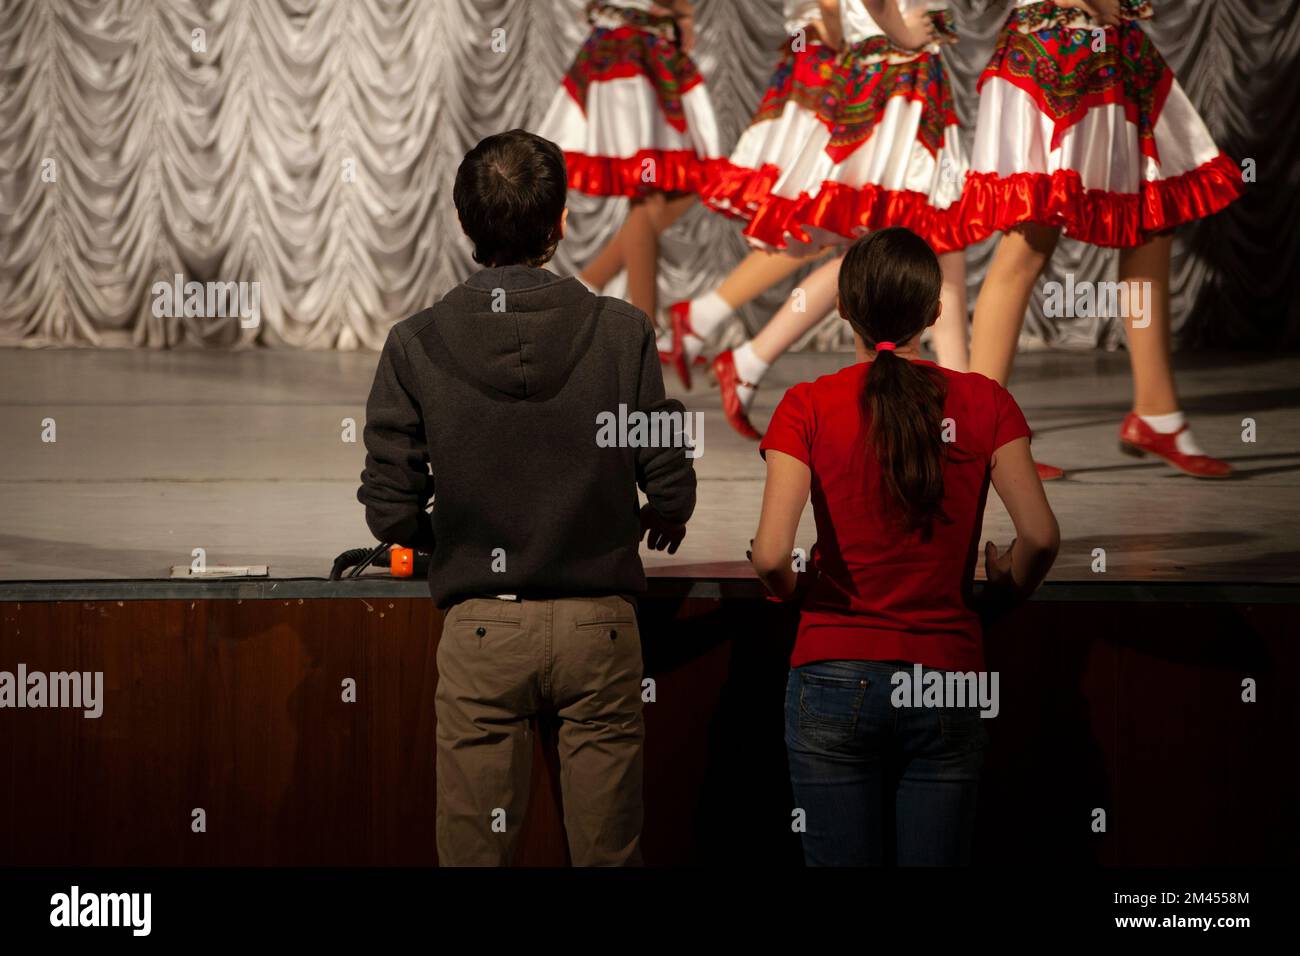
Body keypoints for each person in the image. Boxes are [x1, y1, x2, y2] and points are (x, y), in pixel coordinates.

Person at [357, 129, 697, 866]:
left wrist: (441, 541)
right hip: (601, 630)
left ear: (463, 223)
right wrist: (663, 511)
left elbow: (390, 509)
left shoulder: (416, 342)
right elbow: (668, 477)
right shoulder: (622, 332)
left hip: (482, 630)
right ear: (563, 219)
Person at [750, 227, 1060, 866]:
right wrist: (1002, 590)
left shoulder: (806, 405)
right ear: (937, 312)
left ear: (841, 308)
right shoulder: (985, 402)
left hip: (832, 670)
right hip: (948, 675)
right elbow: (1039, 537)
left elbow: (773, 556)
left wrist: (802, 595)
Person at [961, 0, 1244, 479]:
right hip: (1051, 51)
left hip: (1115, 52)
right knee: (1027, 243)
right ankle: (979, 440)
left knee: (1150, 224)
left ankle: (1157, 413)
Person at [703, 0, 975, 440]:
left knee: (922, 242)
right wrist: (900, 32)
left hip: (898, 73)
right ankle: (960, 412)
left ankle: (752, 359)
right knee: (929, 241)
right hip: (894, 72)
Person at [537, 0, 721, 318]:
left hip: (635, 50)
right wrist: (683, 14)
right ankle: (643, 327)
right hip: (633, 56)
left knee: (671, 189)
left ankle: (590, 286)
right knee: (650, 195)